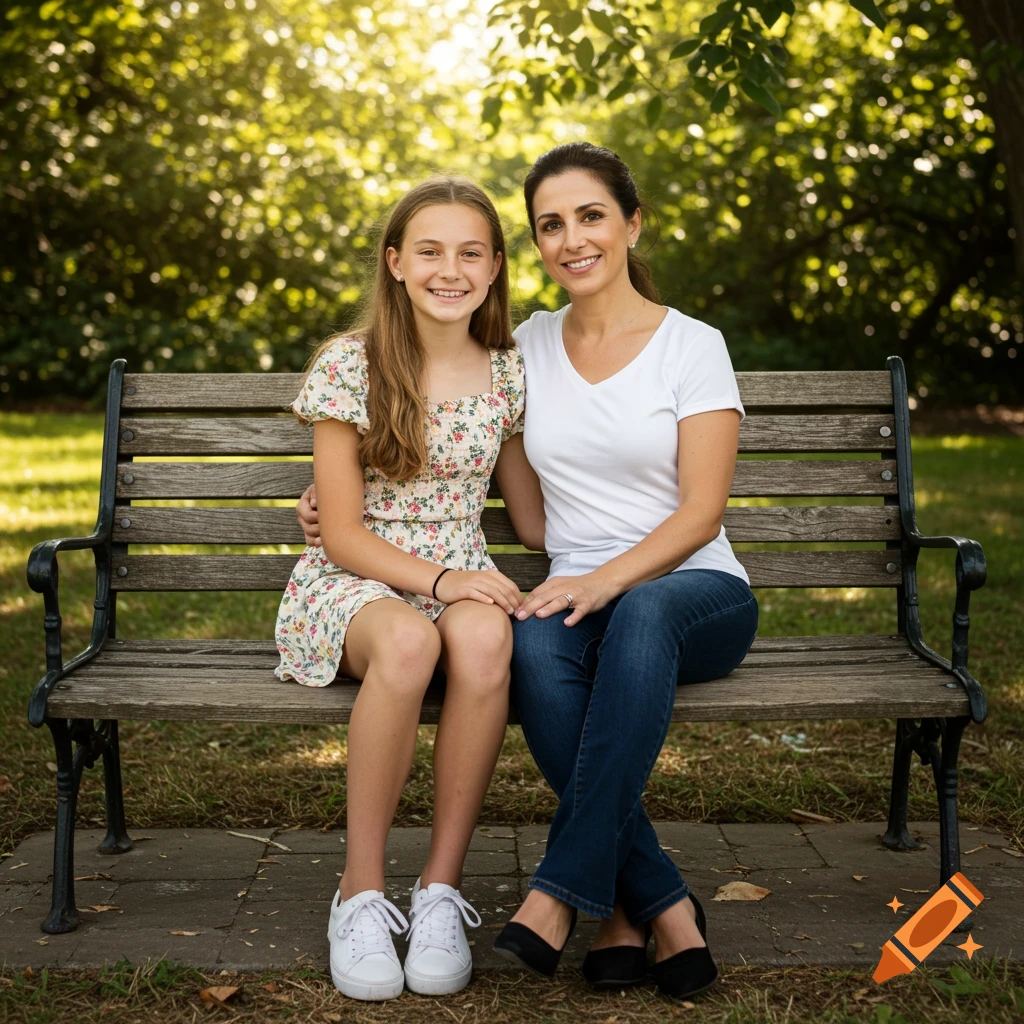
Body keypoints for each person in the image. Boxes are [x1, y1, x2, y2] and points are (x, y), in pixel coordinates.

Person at [297, 143, 757, 1001]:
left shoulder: (691, 345)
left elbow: (701, 515)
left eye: (591, 216)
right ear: (536, 246)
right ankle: (651, 903)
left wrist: (600, 580)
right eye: (552, 223)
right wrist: (327, 502)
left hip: (690, 588)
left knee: (633, 620)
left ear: (631, 223)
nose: (573, 238)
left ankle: (558, 891)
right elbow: (525, 508)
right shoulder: (529, 348)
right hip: (545, 591)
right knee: (535, 657)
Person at [275, 177, 534, 1001]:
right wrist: (445, 578)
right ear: (395, 263)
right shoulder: (350, 364)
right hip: (354, 581)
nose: (448, 269)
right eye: (428, 251)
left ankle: (437, 893)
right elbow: (344, 533)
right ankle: (359, 894)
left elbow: (532, 518)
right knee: (414, 637)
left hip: (457, 573)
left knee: (488, 635)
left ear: (494, 268)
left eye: (470, 252)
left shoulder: (506, 373)